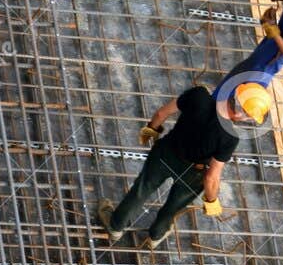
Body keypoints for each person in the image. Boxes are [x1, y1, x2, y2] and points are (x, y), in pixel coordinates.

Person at [96, 80, 272, 249]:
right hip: (193, 172)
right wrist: (211, 200)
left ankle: (115, 226)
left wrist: (151, 129)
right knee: (174, 206)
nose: (246, 121)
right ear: (240, 114)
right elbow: (212, 177)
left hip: (166, 153)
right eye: (249, 118)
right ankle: (156, 236)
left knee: (142, 190)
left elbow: (162, 114)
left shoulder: (199, 95)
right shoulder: (230, 138)